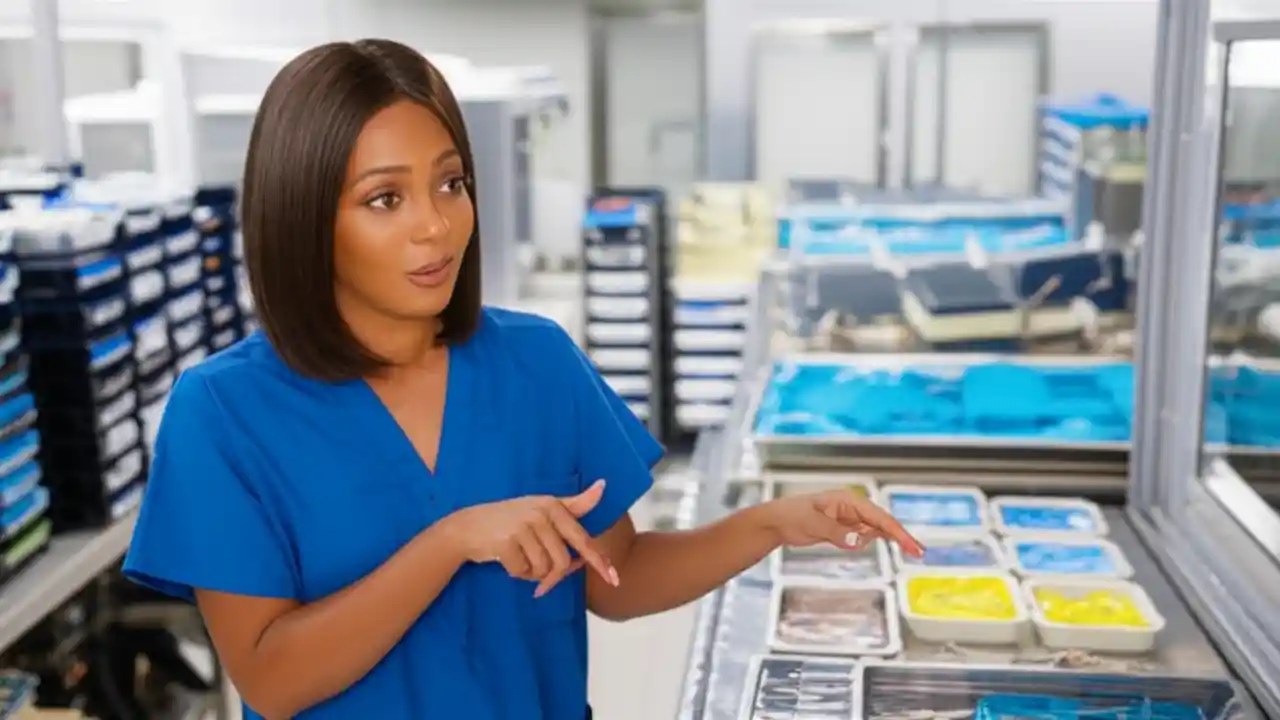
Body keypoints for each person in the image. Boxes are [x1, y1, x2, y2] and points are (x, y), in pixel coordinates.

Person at [123, 39, 924, 720]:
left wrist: (771, 524)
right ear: (302, 217)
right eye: (385, 198)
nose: (435, 223)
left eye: (450, 182)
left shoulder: (535, 361)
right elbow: (271, 677)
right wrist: (448, 543)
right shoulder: (224, 414)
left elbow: (616, 577)